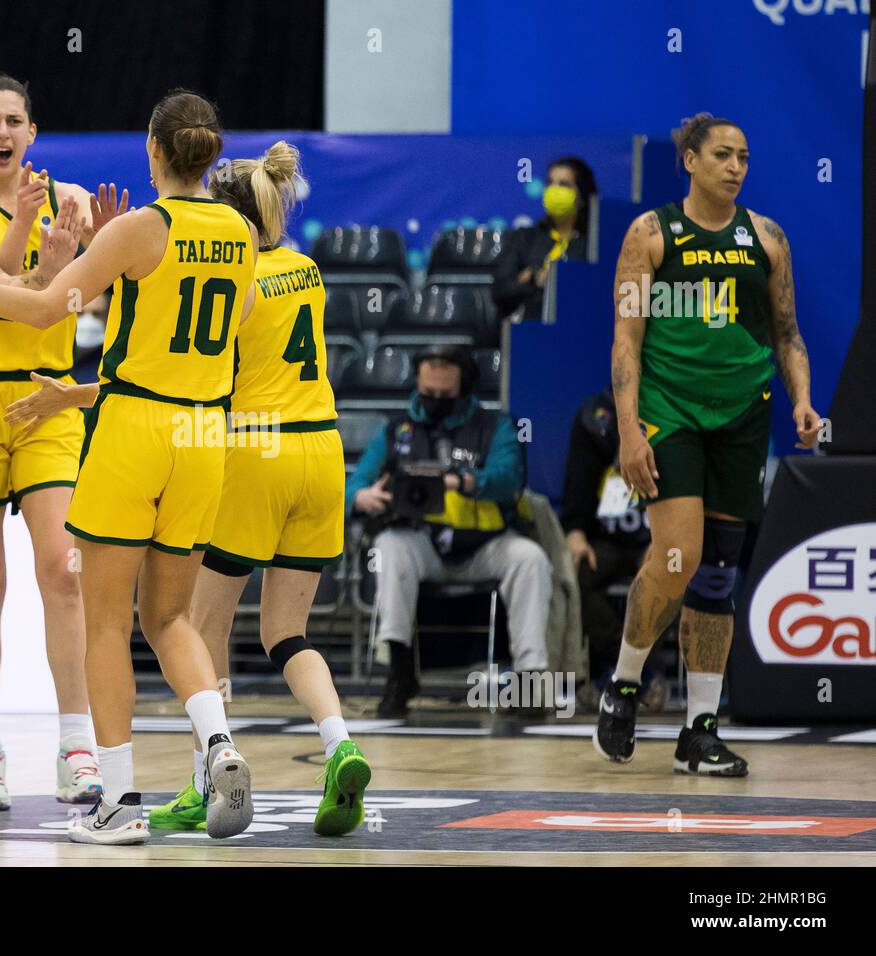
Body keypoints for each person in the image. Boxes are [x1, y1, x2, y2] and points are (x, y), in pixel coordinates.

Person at [0, 89, 258, 845]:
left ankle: (115, 801)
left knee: (108, 620)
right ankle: (218, 742)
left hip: (134, 429)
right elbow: (221, 334)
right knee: (170, 616)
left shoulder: (144, 227)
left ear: (153, 151)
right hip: (205, 433)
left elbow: (48, 309)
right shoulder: (242, 233)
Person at [128, 142, 369, 836]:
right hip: (322, 452)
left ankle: (208, 782)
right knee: (286, 632)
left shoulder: (233, 285)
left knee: (197, 630)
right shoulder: (307, 270)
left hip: (254, 449)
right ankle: (339, 746)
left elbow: (186, 374)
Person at [595, 113, 821, 776]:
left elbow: (788, 333)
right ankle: (625, 684)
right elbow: (626, 337)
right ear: (689, 160)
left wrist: (803, 399)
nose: (736, 167)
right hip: (671, 410)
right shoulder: (651, 233)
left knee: (719, 574)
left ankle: (700, 731)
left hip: (743, 415)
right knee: (678, 555)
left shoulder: (767, 238)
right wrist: (631, 428)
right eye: (722, 154)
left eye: (744, 157)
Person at [0, 73, 116, 809]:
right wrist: (42, 267)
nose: (3, 131)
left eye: (15, 120)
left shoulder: (67, 200)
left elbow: (83, 302)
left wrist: (83, 258)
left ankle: (78, 746)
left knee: (63, 570)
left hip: (48, 400)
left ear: (32, 133)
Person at [346, 345, 551, 717]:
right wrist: (363, 496)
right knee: (389, 546)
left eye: (445, 396)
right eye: (428, 394)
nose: (435, 402)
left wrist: (464, 482)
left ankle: (530, 680)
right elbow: (353, 486)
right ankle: (400, 671)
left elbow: (509, 480)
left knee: (530, 558)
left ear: (466, 387)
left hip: (483, 544)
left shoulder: (495, 427)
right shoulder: (396, 429)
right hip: (423, 543)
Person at [561, 387, 665, 710]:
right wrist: (575, 534)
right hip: (604, 539)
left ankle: (628, 675)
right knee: (574, 574)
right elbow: (577, 485)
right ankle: (638, 673)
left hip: (658, 537)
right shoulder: (595, 416)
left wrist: (663, 541)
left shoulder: (674, 410)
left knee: (672, 572)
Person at [492, 156, 597, 320]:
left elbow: (590, 291)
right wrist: (534, 281)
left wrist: (549, 281)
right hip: (527, 327)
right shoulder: (526, 238)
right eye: (550, 183)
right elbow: (500, 291)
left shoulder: (593, 243)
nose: (554, 190)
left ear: (582, 195)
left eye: (564, 184)